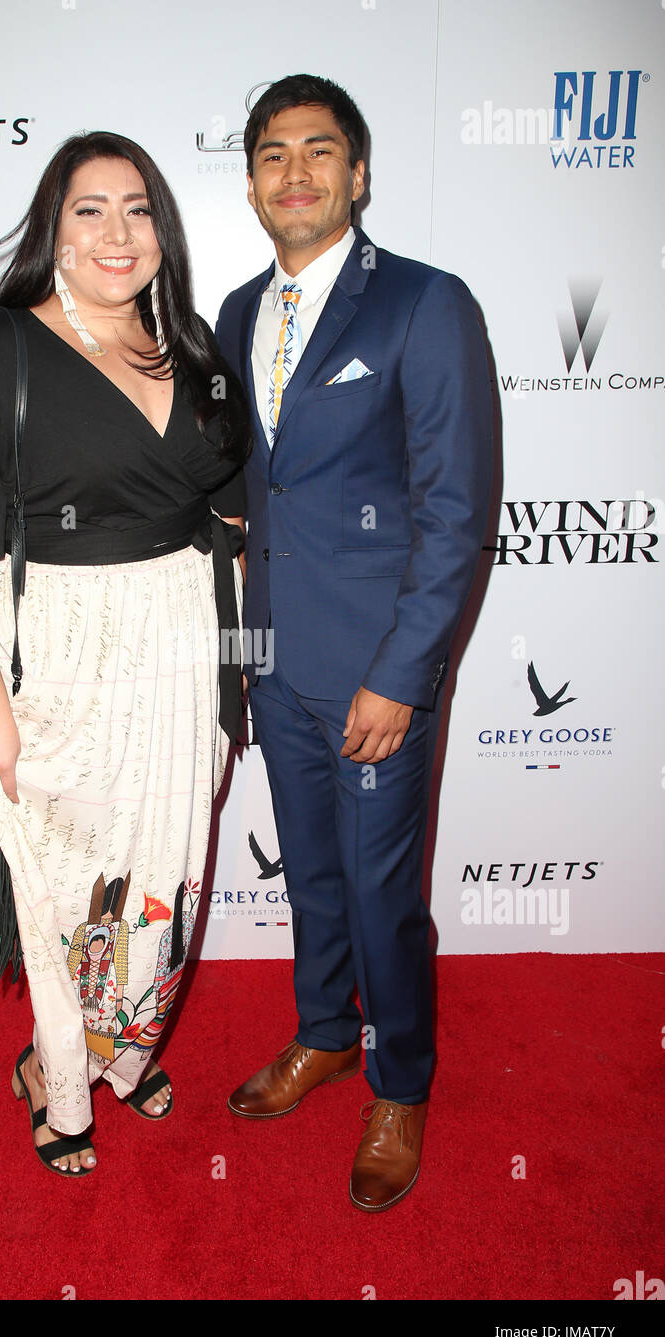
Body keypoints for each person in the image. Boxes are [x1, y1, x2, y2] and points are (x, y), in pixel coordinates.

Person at [0, 132, 250, 1175]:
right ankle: (57, 1071)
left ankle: (118, 1050)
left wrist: (232, 661)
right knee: (69, 883)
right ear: (54, 226)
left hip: (184, 651)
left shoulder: (195, 349)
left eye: (138, 209)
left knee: (162, 877)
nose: (117, 232)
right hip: (65, 653)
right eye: (90, 209)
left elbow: (229, 516)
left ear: (163, 229)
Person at [215, 75, 493, 1211]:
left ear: (358, 173)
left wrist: (402, 674)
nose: (295, 173)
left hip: (376, 668)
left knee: (383, 895)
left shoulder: (425, 304)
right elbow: (247, 499)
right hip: (276, 663)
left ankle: (401, 1082)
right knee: (312, 875)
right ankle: (326, 1032)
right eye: (272, 155)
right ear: (250, 186)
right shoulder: (236, 313)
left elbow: (456, 513)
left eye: (319, 150)